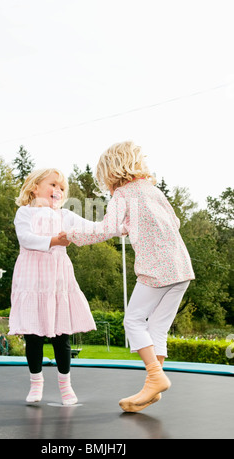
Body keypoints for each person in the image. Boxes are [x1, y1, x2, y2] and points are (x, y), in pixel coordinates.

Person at [59, 141, 195, 412]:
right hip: (181, 267)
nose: (107, 189)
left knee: (132, 321)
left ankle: (155, 377)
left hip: (156, 269)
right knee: (157, 326)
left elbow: (104, 230)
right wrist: (131, 225)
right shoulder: (153, 191)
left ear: (112, 174)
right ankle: (152, 384)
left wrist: (71, 236)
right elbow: (175, 223)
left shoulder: (122, 194)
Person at [9, 168, 96, 405]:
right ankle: (36, 383)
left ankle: (65, 385)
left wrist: (119, 226)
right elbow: (26, 238)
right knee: (33, 336)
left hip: (58, 282)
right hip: (31, 280)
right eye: (53, 185)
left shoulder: (65, 216)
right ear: (35, 187)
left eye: (61, 188)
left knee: (62, 336)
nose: (58, 190)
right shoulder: (24, 212)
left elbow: (90, 228)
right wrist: (54, 241)